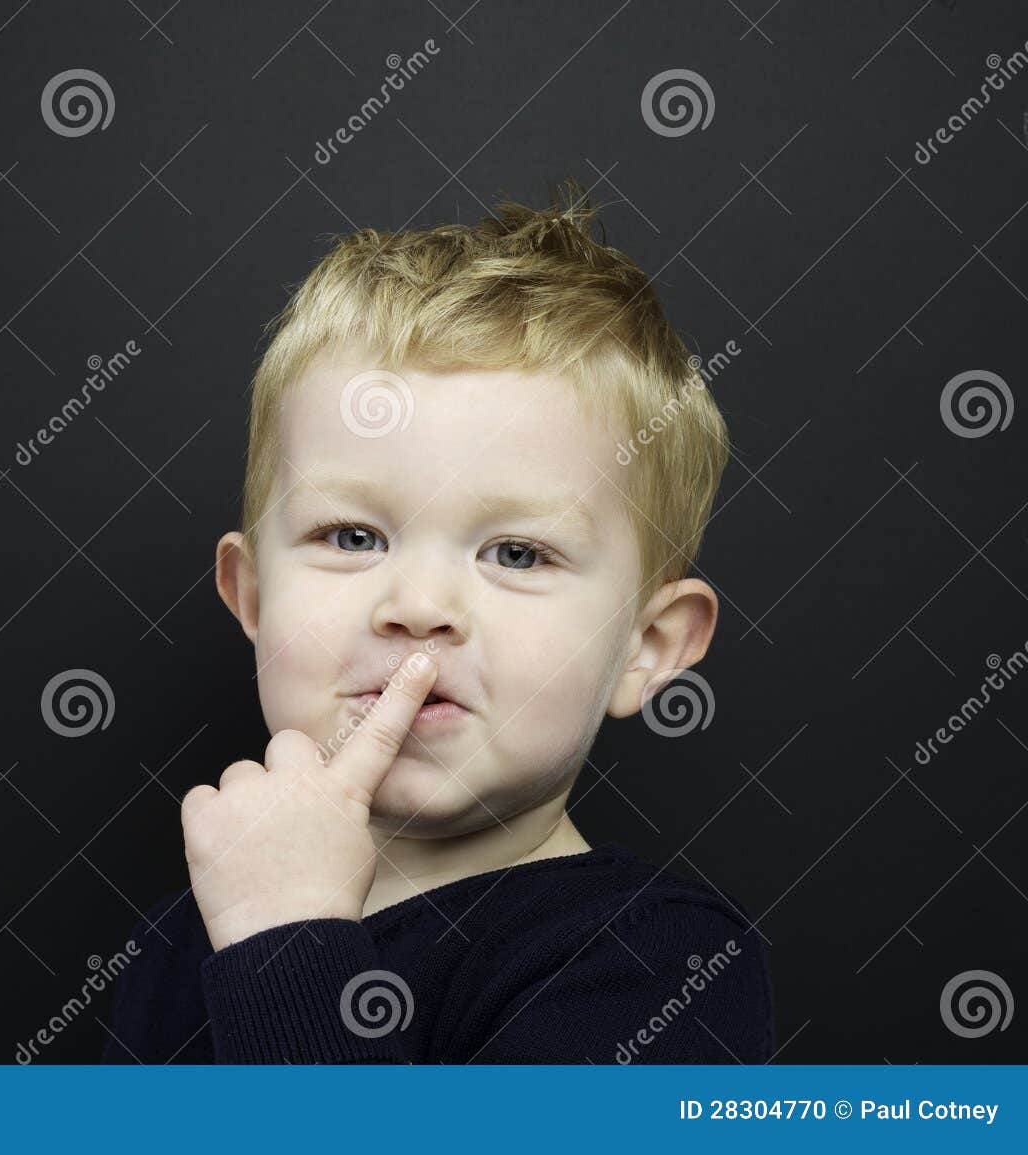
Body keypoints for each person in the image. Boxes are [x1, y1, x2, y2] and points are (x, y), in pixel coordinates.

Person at [102, 181, 773, 1063]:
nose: (418, 607)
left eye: (518, 554)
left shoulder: (660, 964)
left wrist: (289, 950)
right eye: (351, 535)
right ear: (254, 599)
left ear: (646, 648)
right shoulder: (187, 928)